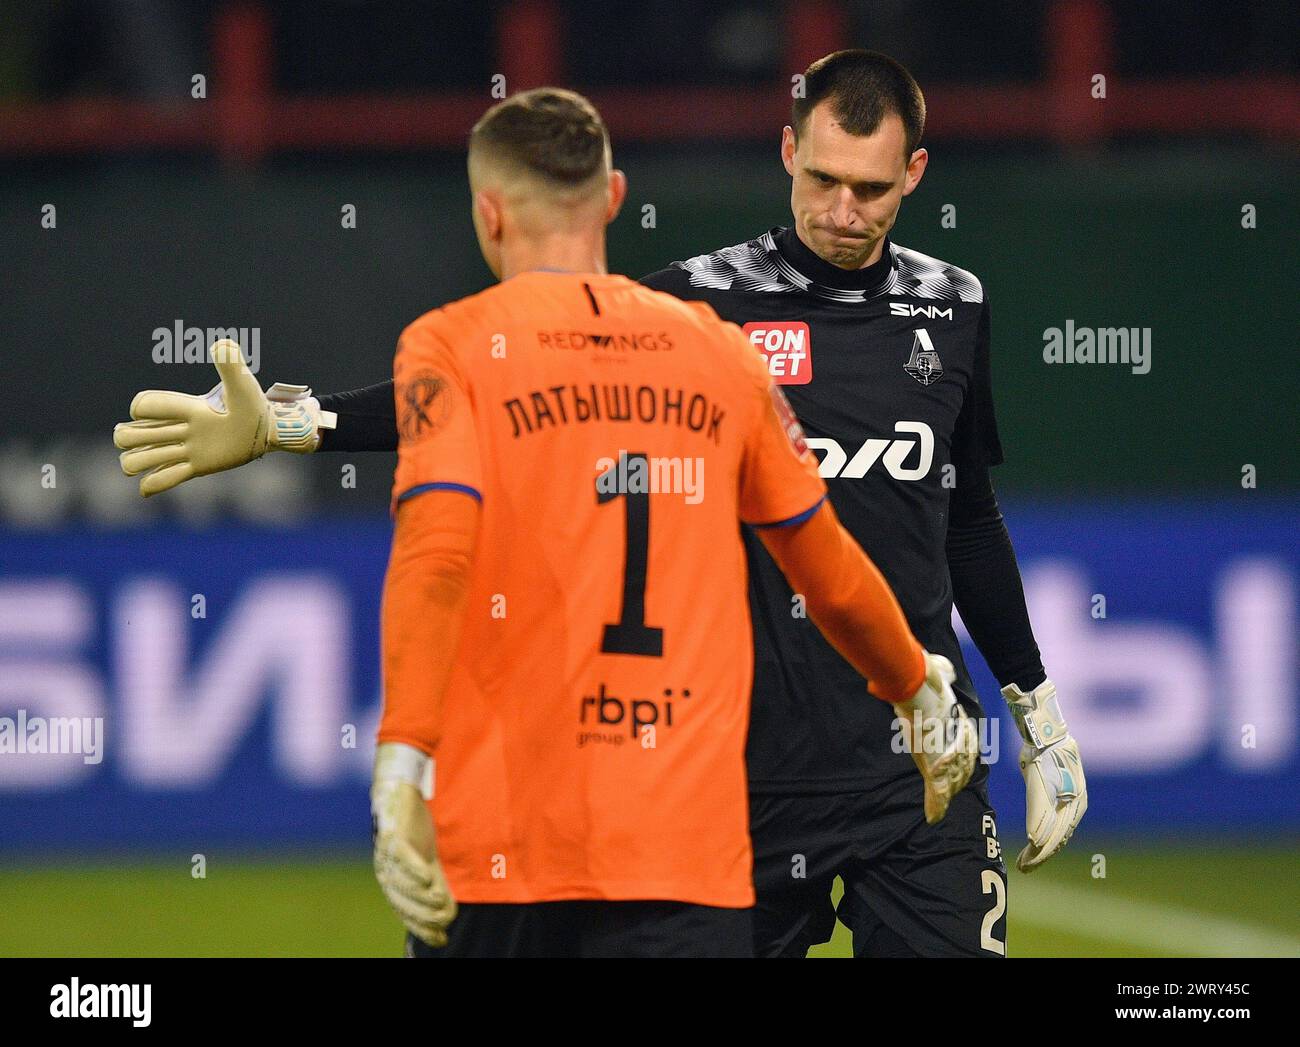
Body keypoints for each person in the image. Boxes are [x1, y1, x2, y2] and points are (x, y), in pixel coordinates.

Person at [115, 87, 977, 959]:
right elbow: (823, 561)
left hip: (502, 848)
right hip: (685, 862)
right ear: (611, 198)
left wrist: (399, 768)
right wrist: (916, 686)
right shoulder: (720, 356)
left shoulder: (455, 345)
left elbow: (436, 558)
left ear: (488, 214)